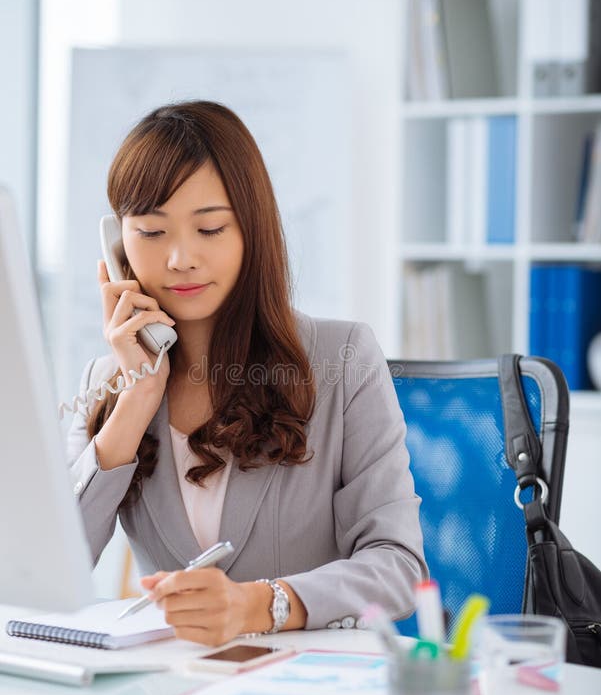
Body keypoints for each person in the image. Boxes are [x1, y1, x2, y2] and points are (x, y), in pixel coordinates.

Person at [67, 100, 427, 646]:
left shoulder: (343, 357)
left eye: (209, 229)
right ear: (117, 245)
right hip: (171, 683)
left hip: (304, 686)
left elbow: (397, 565)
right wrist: (134, 404)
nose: (180, 259)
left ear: (250, 230)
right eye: (151, 232)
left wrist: (259, 604)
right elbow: (53, 573)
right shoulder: (107, 380)